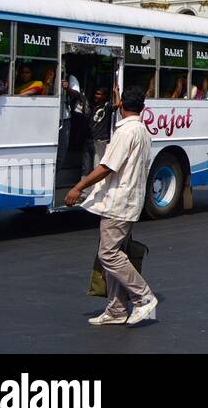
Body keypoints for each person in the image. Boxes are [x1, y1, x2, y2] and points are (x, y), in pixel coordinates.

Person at [65, 86, 158, 327]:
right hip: (130, 200)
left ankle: (143, 297)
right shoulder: (143, 131)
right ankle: (117, 309)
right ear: (143, 108)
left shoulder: (125, 132)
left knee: (108, 254)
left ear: (121, 107)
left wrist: (79, 187)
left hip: (118, 201)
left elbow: (107, 166)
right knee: (117, 253)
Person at [86, 86, 114, 175]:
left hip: (100, 140)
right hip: (90, 138)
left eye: (99, 94)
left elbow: (118, 104)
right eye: (96, 93)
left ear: (105, 96)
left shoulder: (107, 106)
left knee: (97, 164)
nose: (96, 96)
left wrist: (116, 92)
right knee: (86, 165)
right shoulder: (93, 106)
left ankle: (96, 186)